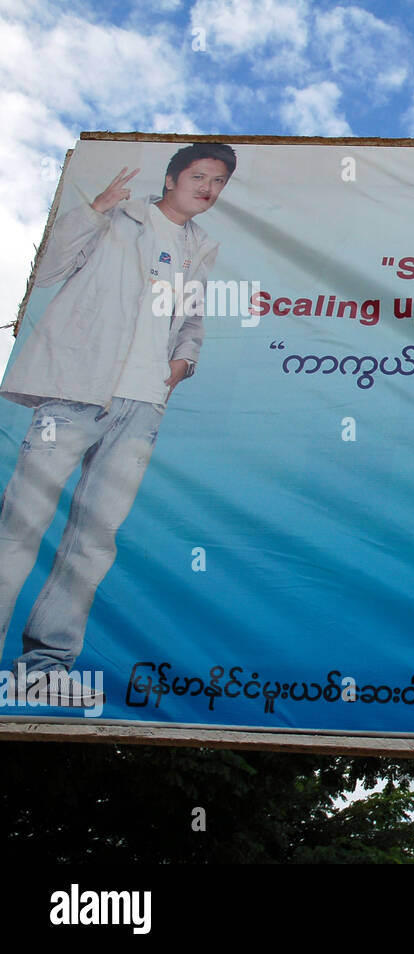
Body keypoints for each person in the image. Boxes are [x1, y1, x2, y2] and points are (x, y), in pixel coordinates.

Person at [0, 142, 235, 706]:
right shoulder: (122, 217)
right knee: (20, 525)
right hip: (74, 391)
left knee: (95, 538)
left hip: (143, 406)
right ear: (173, 177)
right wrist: (96, 209)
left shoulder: (200, 246)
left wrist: (183, 363)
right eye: (198, 175)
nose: (207, 187)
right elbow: (49, 270)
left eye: (219, 180)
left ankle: (47, 667)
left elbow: (193, 318)